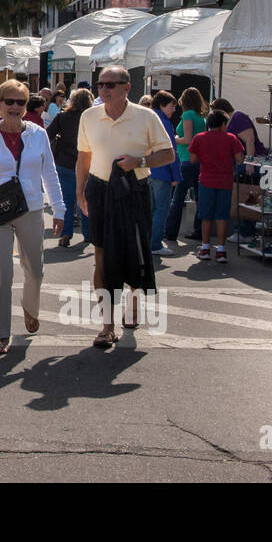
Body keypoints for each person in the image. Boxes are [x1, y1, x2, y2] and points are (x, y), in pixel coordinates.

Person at [0, 79, 65, 354]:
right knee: (2, 273)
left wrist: (59, 208)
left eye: (21, 102)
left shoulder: (38, 134)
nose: (16, 107)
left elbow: (50, 174)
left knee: (35, 270)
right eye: (9, 101)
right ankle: (3, 333)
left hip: (31, 208)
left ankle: (30, 307)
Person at [76, 65, 173, 348]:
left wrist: (139, 161)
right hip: (100, 189)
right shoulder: (89, 116)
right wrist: (80, 192)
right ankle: (107, 325)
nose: (103, 90)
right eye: (100, 84)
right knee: (101, 256)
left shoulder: (146, 116)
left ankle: (132, 304)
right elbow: (84, 156)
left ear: (127, 87)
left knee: (135, 250)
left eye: (110, 84)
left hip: (134, 190)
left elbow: (167, 154)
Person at [187, 109, 245, 263]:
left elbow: (192, 159)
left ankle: (205, 248)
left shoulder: (199, 138)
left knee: (206, 216)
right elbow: (240, 159)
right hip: (225, 182)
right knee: (222, 216)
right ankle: (221, 250)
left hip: (206, 181)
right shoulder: (231, 138)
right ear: (224, 124)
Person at [211, 97, 266, 244]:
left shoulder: (238, 117)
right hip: (241, 163)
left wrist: (249, 162)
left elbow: (249, 140)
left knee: (245, 195)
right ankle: (243, 231)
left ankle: (245, 232)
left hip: (248, 163)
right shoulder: (234, 119)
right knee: (242, 196)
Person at [46, 88, 93, 247]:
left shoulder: (63, 116)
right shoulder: (93, 118)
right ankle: (88, 233)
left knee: (66, 199)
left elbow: (48, 135)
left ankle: (65, 234)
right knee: (85, 198)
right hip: (87, 163)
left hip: (65, 162)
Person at [164, 87, 208, 242]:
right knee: (199, 198)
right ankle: (199, 231)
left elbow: (188, 140)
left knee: (177, 198)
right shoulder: (201, 117)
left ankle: (170, 231)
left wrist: (174, 138)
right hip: (198, 161)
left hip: (187, 159)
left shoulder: (188, 115)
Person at [147, 91, 182, 256]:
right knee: (161, 210)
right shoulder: (164, 122)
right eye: (171, 106)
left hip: (146, 170)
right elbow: (171, 151)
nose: (173, 110)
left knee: (150, 209)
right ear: (162, 105)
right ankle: (155, 244)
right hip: (162, 172)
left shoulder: (148, 118)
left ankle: (149, 242)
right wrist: (176, 176)